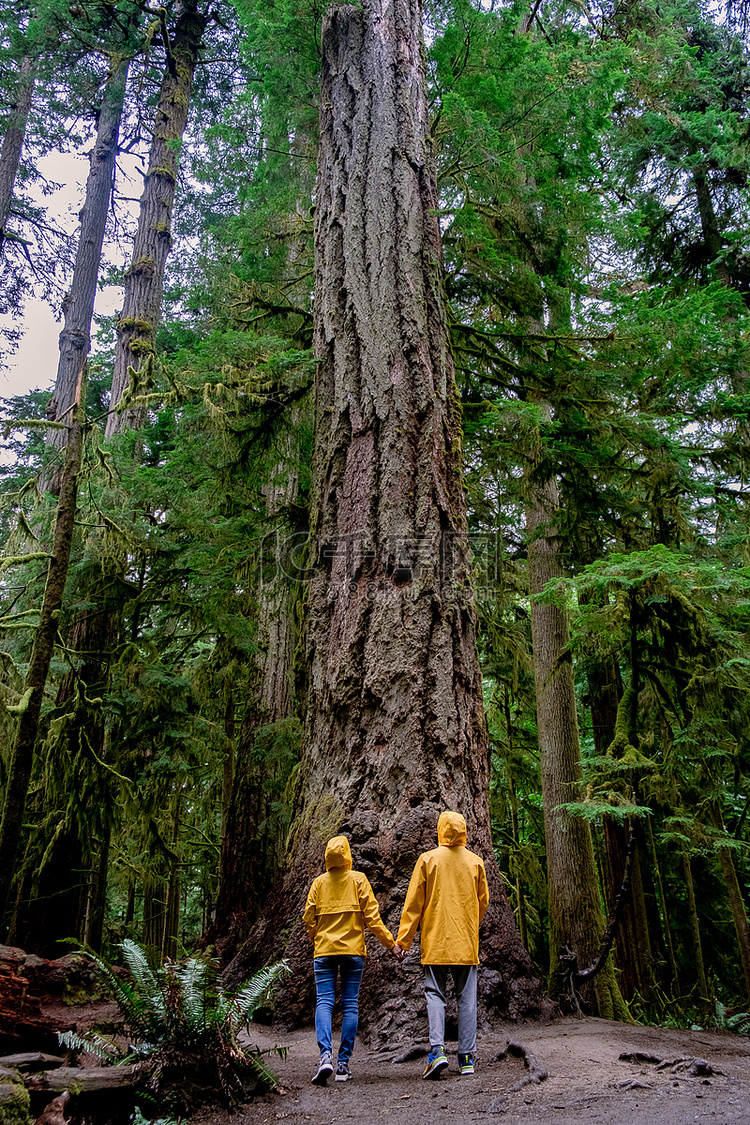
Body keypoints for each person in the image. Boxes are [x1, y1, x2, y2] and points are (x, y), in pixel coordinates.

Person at [393, 810, 490, 1079]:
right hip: (465, 943)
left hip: (435, 940)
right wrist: (469, 925)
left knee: (435, 994)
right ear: (464, 831)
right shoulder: (475, 862)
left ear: (440, 830)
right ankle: (466, 1057)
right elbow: (483, 901)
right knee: (467, 999)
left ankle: (437, 1051)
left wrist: (404, 940)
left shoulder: (428, 860)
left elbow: (414, 903)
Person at [303, 834, 397, 1085]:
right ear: (347, 855)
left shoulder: (318, 884)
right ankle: (343, 1064)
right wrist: (391, 944)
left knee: (324, 1001)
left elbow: (309, 918)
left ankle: (325, 1056)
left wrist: (316, 939)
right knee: (350, 1004)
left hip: (324, 952)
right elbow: (373, 919)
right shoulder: (359, 880)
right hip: (353, 952)